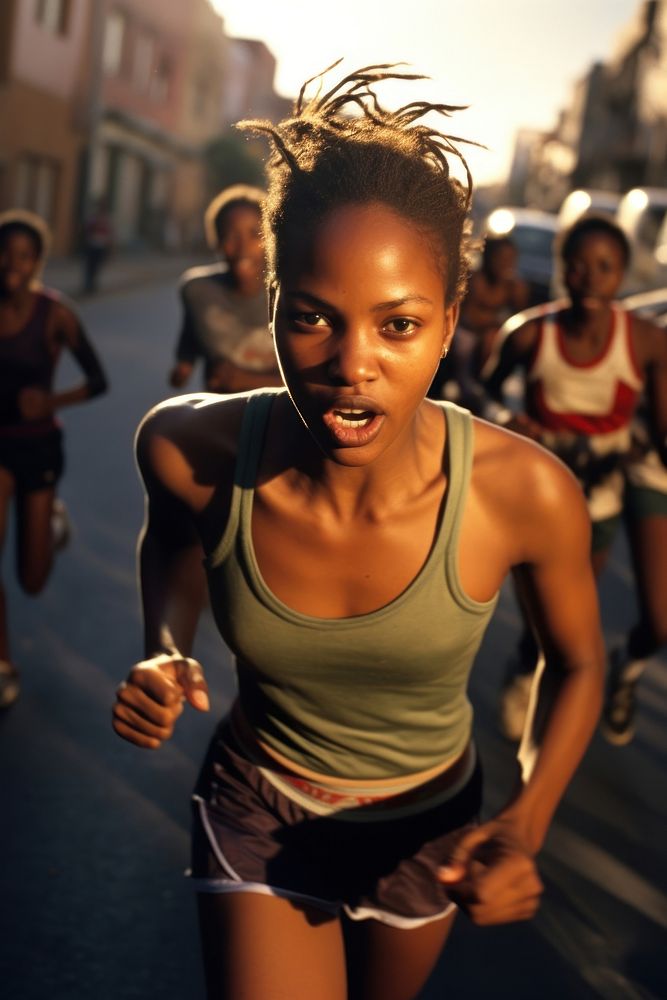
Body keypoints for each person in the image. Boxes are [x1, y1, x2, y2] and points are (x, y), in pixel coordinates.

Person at [112, 65, 604, 1000]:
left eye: (399, 325)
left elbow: (576, 662)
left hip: (427, 829)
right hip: (254, 804)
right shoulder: (186, 448)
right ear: (272, 308)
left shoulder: (523, 494)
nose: (351, 365)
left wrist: (527, 823)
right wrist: (162, 649)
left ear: (450, 322)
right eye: (312, 319)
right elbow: (172, 540)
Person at [483, 215, 667, 742]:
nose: (590, 278)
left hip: (602, 492)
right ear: (563, 270)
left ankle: (587, 673)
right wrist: (507, 418)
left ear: (623, 275)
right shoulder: (530, 332)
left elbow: (660, 430)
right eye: (578, 266)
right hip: (541, 492)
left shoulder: (646, 341)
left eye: (605, 268)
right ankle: (526, 668)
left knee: (577, 603)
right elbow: (488, 392)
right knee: (544, 608)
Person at [0, 209, 109, 707]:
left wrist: (51, 401)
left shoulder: (56, 313)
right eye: (5, 253)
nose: (11, 264)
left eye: (24, 255)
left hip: (39, 445)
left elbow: (97, 381)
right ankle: (3, 663)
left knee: (32, 579)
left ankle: (54, 527)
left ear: (39, 260)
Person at [168, 185, 283, 394]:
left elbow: (315, 385)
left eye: (254, 234)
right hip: (220, 416)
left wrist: (247, 380)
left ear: (272, 241)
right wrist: (183, 368)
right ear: (216, 242)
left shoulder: (289, 293)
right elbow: (192, 339)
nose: (242, 247)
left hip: (279, 416)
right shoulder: (198, 291)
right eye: (229, 236)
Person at [429, 234, 528, 410]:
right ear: (488, 258)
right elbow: (464, 315)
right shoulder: (474, 280)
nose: (505, 265)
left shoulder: (513, 287)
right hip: (464, 332)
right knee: (462, 345)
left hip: (487, 338)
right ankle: (465, 387)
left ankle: (483, 388)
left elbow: (520, 321)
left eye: (510, 260)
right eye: (500, 259)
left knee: (493, 340)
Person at [81, 197, 114, 295]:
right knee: (90, 266)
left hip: (101, 246)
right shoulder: (93, 218)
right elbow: (87, 229)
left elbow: (110, 234)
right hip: (92, 245)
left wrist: (109, 247)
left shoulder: (106, 219)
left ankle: (92, 284)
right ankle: (88, 284)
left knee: (96, 267)